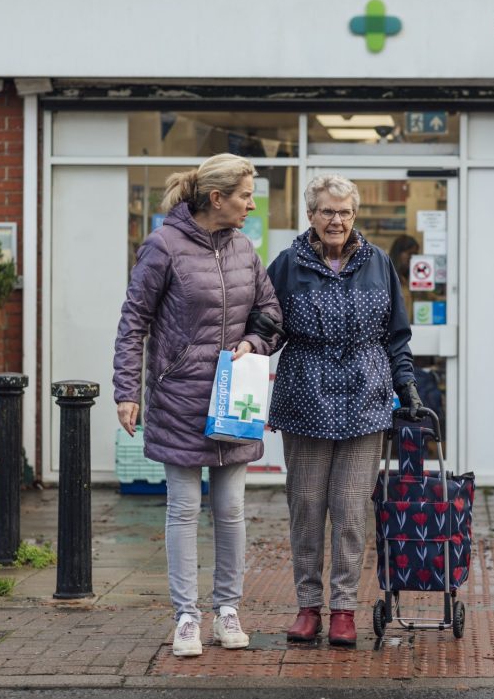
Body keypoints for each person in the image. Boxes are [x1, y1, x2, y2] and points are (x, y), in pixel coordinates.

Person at [113, 153, 282, 658]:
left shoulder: (244, 249)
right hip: (180, 397)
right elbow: (133, 321)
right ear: (217, 198)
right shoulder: (163, 246)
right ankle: (186, 616)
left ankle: (227, 609)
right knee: (184, 510)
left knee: (230, 510)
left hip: (236, 399)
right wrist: (127, 390)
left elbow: (269, 311)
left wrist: (253, 343)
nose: (251, 205)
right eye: (245, 196)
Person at [259, 173, 423, 648]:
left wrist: (406, 383)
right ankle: (308, 607)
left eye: (345, 212)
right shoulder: (288, 265)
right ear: (311, 214)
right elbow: (270, 326)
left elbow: (396, 334)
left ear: (355, 216)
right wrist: (249, 348)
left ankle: (345, 610)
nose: (337, 220)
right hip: (305, 397)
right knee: (307, 508)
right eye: (328, 211)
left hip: (364, 400)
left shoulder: (378, 263)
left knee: (351, 512)